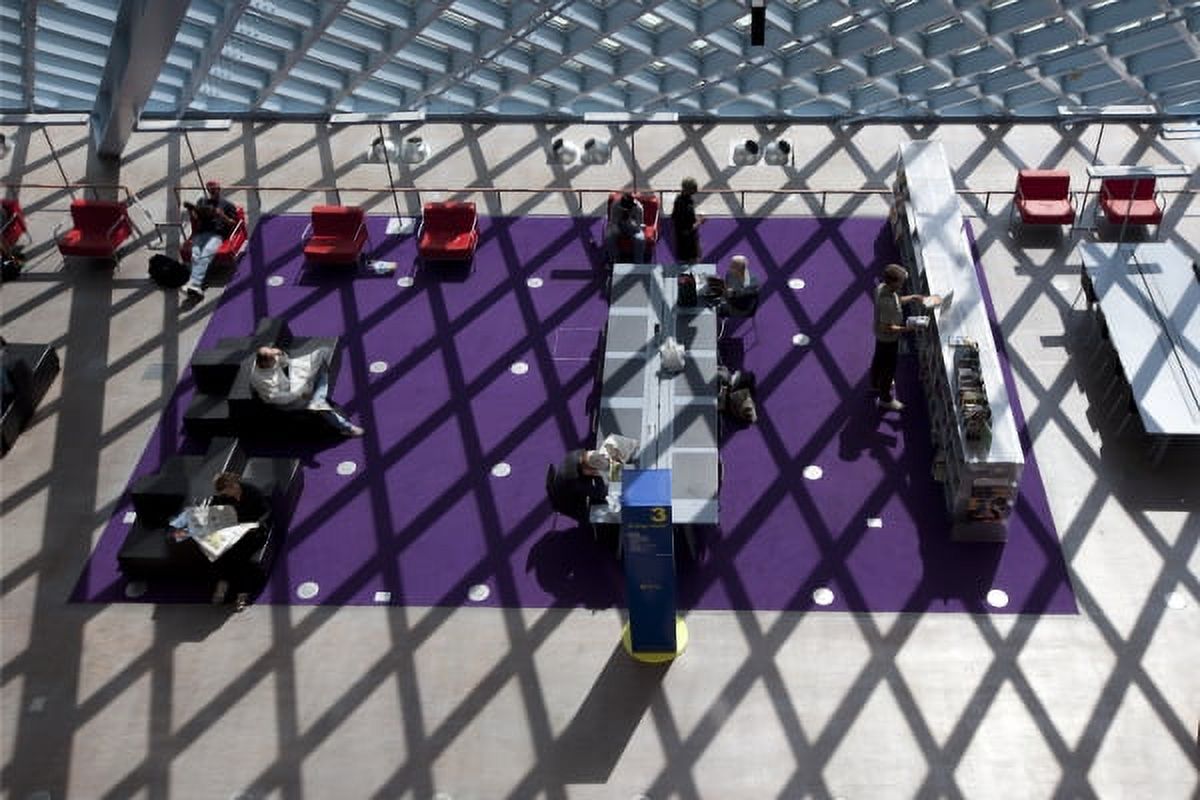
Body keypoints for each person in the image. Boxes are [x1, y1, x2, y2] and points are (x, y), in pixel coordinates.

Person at [249, 345, 364, 436]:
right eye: (273, 360)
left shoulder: (269, 360)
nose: (276, 360)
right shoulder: (262, 380)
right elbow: (276, 398)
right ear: (264, 363)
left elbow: (285, 362)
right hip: (286, 401)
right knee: (319, 407)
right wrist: (299, 393)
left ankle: (316, 394)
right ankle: (347, 428)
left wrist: (281, 353)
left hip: (291, 384)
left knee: (322, 355)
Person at [870, 263, 932, 411]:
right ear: (892, 282)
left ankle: (874, 383)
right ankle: (885, 399)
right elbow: (887, 327)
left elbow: (898, 300)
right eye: (900, 282)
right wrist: (907, 328)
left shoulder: (883, 288)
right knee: (888, 369)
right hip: (888, 338)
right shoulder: (886, 302)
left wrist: (913, 298)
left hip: (880, 337)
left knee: (878, 359)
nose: (902, 284)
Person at [180, 180, 238, 300]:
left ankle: (195, 284)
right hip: (201, 233)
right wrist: (191, 210)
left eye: (214, 189)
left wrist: (222, 216)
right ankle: (195, 285)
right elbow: (196, 219)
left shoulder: (227, 205)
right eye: (210, 190)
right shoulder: (203, 202)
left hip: (217, 234)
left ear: (219, 189)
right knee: (195, 255)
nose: (212, 192)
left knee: (206, 253)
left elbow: (233, 223)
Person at [548, 448, 609, 524]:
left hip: (562, 487)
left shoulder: (579, 453)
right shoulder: (575, 481)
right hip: (568, 505)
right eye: (594, 470)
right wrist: (597, 476)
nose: (597, 471)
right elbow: (599, 494)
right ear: (588, 470)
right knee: (603, 513)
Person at [671, 177, 704, 264]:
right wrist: (700, 221)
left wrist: (695, 218)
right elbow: (688, 229)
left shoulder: (678, 200)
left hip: (680, 242)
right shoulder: (687, 205)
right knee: (692, 265)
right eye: (694, 188)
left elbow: (675, 217)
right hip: (688, 245)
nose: (696, 190)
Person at [606, 192, 645, 263]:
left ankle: (638, 261)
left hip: (633, 227)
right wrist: (617, 228)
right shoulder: (615, 205)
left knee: (640, 239)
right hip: (618, 225)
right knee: (609, 236)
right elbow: (613, 222)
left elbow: (640, 226)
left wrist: (632, 224)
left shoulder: (638, 208)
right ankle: (614, 259)